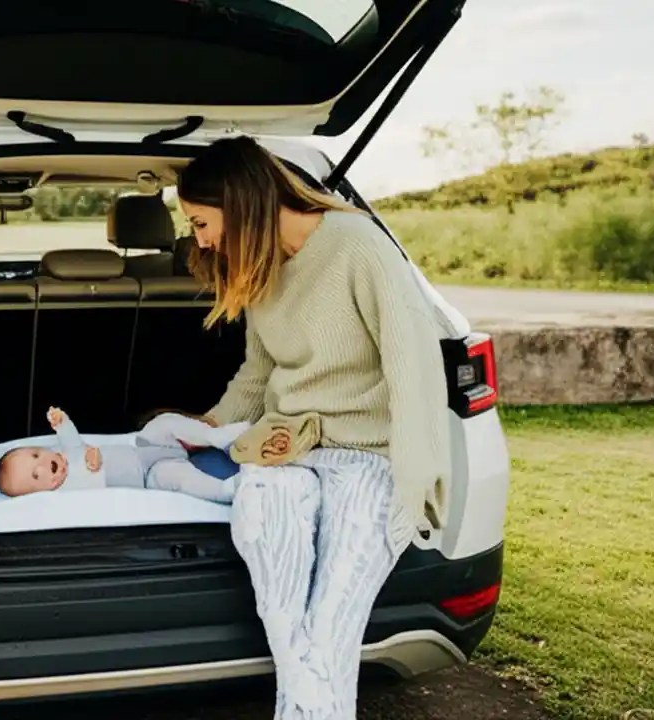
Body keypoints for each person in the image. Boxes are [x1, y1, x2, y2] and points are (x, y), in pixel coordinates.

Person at [178, 136, 452, 718]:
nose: (199, 240)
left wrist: (416, 481)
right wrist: (209, 425)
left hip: (369, 458)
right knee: (283, 623)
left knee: (327, 636)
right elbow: (259, 372)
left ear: (238, 202)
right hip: (282, 450)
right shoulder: (261, 268)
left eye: (201, 222)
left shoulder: (357, 245)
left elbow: (415, 369)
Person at [0, 406, 251, 503]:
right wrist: (94, 468)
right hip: (150, 475)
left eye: (36, 455)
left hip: (144, 445)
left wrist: (61, 423)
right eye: (36, 475)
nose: (43, 464)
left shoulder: (69, 453)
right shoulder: (68, 491)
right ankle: (225, 490)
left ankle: (216, 436)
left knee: (164, 422)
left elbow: (70, 438)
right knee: (182, 479)